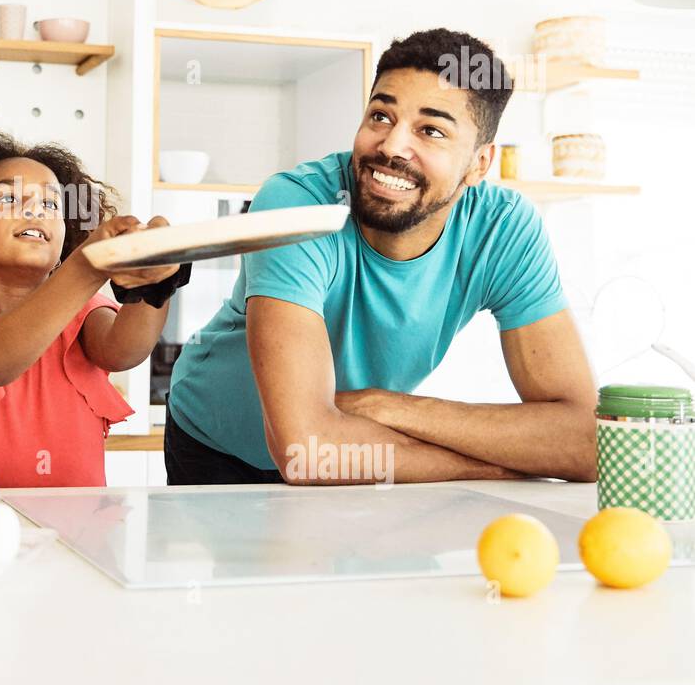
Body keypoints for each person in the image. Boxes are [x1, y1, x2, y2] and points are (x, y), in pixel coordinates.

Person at [165, 28, 597, 486]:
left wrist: (390, 406)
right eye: (381, 116)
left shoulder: (503, 230)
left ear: (480, 163)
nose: (391, 146)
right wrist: (495, 466)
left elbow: (584, 442)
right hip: (217, 443)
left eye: (430, 130)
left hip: (359, 440)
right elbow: (306, 451)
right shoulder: (299, 203)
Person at [0, 131, 189, 487]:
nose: (34, 210)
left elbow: (124, 350)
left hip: (81, 535)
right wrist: (87, 267)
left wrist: (155, 276)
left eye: (50, 205)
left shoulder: (84, 310)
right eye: (10, 199)